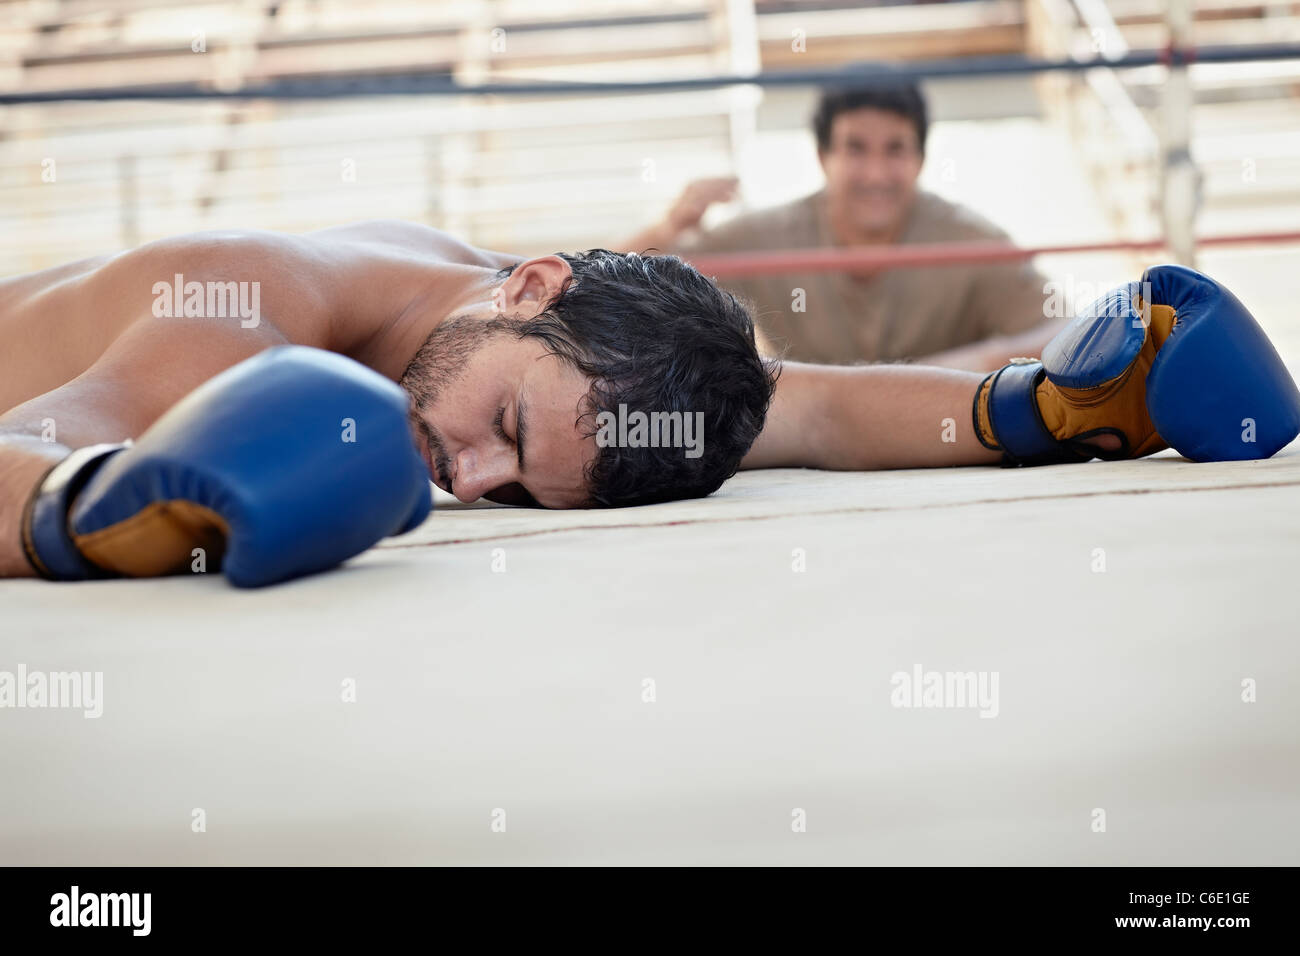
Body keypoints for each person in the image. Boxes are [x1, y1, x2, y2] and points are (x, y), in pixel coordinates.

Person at [2, 224, 1296, 586]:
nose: (474, 483)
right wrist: (92, 507)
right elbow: (28, 448)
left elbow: (808, 411)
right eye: (506, 437)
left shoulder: (525, 325)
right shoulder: (238, 314)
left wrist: (1041, 414)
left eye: (521, 485)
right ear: (533, 288)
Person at [618, 74, 1067, 370]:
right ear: (822, 157)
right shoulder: (768, 236)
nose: (876, 174)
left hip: (945, 447)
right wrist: (667, 227)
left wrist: (966, 367)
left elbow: (1065, 330)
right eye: (856, 148)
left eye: (895, 149)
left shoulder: (971, 240)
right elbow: (601, 291)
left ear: (921, 159)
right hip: (809, 470)